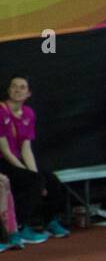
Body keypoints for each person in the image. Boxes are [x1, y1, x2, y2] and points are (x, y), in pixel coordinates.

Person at [0, 76, 70, 244]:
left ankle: (50, 221)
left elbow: (26, 148)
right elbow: (5, 150)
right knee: (32, 182)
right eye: (14, 87)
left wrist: (34, 173)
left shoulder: (29, 113)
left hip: (18, 159)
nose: (17, 90)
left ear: (29, 93)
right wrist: (29, 175)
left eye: (22, 87)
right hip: (3, 160)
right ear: (8, 90)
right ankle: (19, 226)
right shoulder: (1, 112)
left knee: (50, 181)